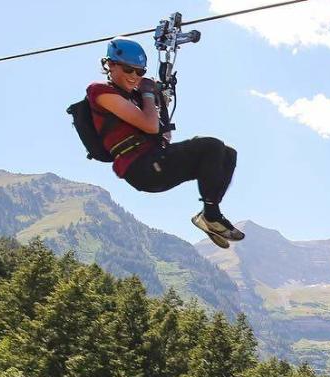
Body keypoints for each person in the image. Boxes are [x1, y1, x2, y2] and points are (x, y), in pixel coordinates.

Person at [87, 38, 243, 248]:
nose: (134, 76)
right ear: (110, 65)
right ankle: (211, 215)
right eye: (128, 69)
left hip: (156, 161)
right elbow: (150, 126)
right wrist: (149, 94)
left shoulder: (136, 98)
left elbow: (162, 134)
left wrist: (158, 100)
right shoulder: (99, 91)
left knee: (227, 154)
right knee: (211, 145)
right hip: (141, 167)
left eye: (139, 72)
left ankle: (209, 214)